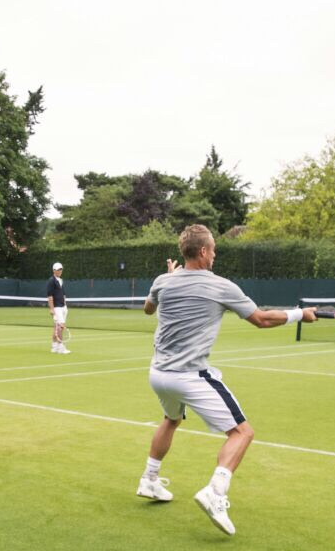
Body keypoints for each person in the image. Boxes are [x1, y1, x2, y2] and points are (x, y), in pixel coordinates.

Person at [136, 224, 317, 535]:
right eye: (214, 250)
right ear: (204, 251)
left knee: (170, 419)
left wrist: (167, 277)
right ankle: (215, 493)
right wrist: (300, 314)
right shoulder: (221, 286)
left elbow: (148, 309)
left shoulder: (162, 281)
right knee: (242, 433)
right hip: (189, 375)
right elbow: (260, 319)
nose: (215, 255)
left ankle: (149, 480)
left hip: (158, 374)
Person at [47, 261, 69, 354]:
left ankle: (54, 346)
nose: (59, 271)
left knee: (57, 327)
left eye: (60, 269)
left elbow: (63, 294)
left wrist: (65, 306)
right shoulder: (51, 281)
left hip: (62, 307)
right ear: (54, 270)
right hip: (56, 308)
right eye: (58, 270)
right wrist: (51, 309)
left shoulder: (61, 280)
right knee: (60, 327)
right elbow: (50, 296)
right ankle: (61, 347)